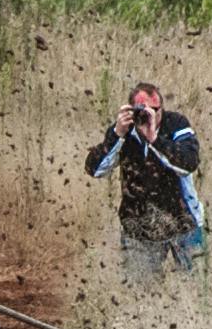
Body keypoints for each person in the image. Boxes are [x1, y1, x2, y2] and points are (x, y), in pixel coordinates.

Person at [86, 82, 205, 280]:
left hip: (183, 222)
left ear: (162, 108)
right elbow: (95, 169)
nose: (150, 114)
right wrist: (117, 134)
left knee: (195, 290)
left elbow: (188, 164)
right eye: (142, 110)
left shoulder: (176, 124)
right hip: (138, 226)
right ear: (131, 111)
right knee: (140, 293)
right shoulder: (124, 132)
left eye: (155, 109)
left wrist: (154, 139)